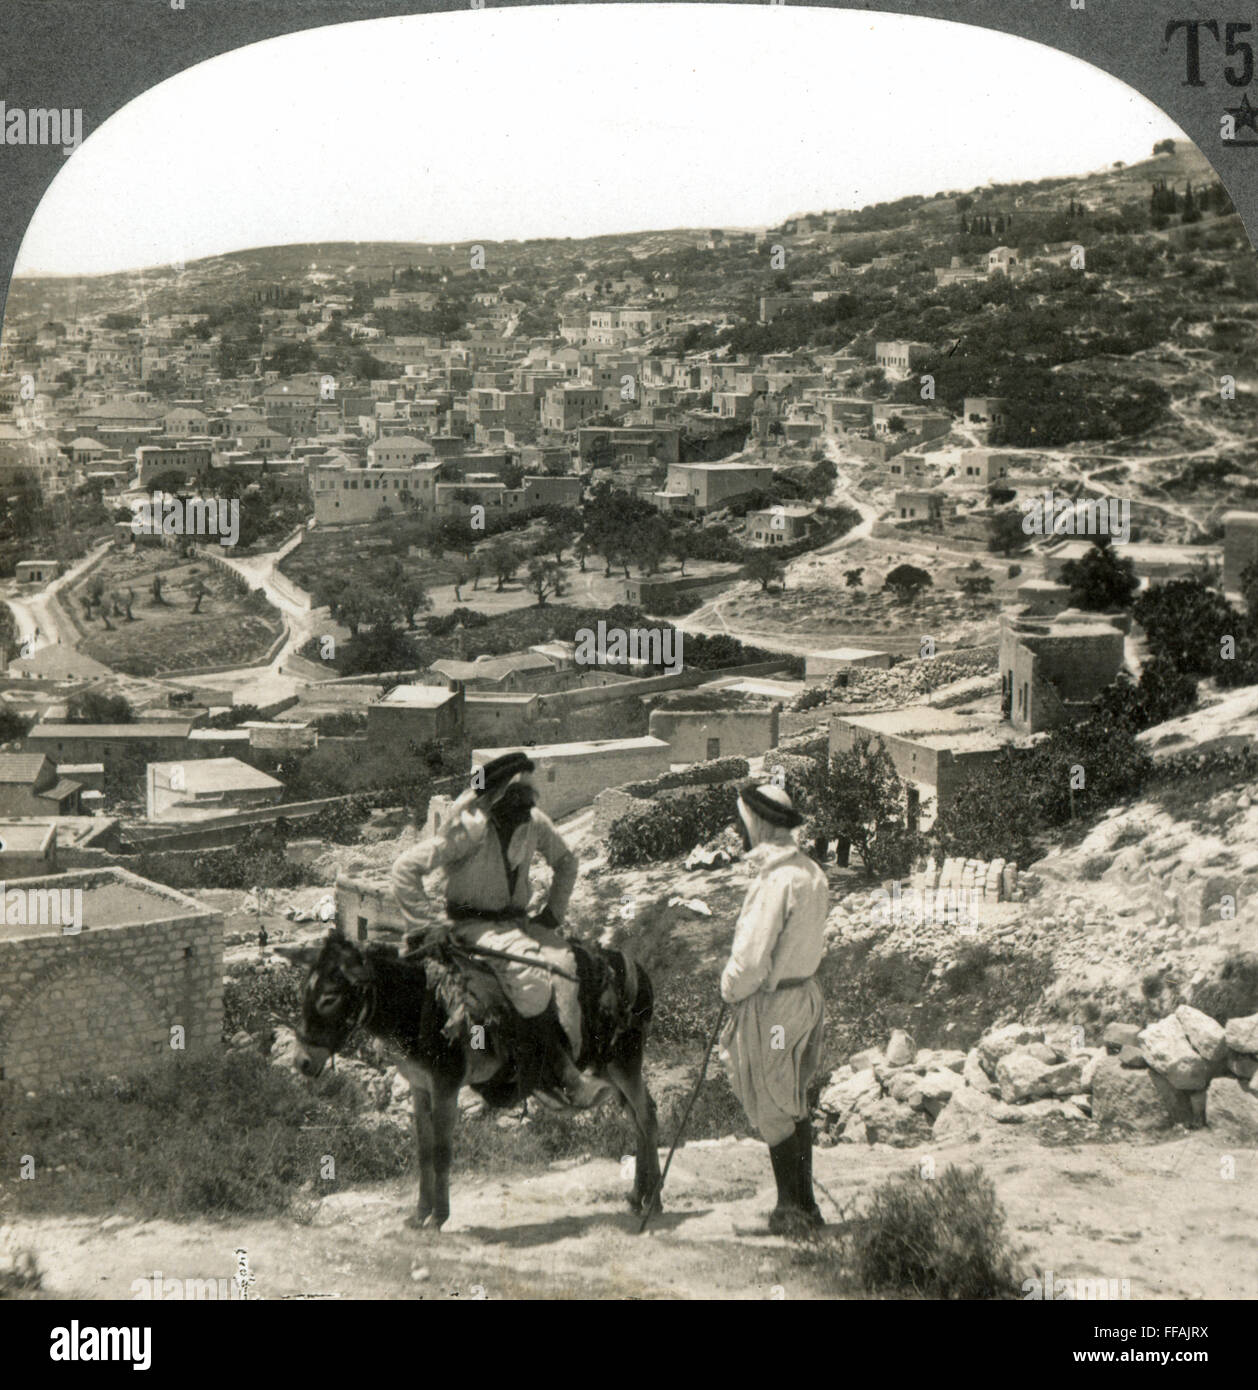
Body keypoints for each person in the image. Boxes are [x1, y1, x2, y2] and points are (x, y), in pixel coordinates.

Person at [391, 751, 611, 1109]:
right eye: (516, 792)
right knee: (532, 980)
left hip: (518, 923)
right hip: (472, 925)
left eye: (527, 792)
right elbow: (404, 868)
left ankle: (563, 1070)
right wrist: (425, 927)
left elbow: (567, 862)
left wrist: (552, 915)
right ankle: (515, 1067)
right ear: (496, 795)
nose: (525, 799)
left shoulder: (534, 823)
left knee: (565, 966)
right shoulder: (469, 831)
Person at [718, 782, 829, 1234]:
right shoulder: (810, 871)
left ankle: (791, 1210)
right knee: (793, 1097)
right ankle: (805, 1204)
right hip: (804, 998)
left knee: (772, 1097)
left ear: (759, 824)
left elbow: (750, 959)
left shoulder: (776, 881)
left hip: (776, 1008)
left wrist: (728, 988)